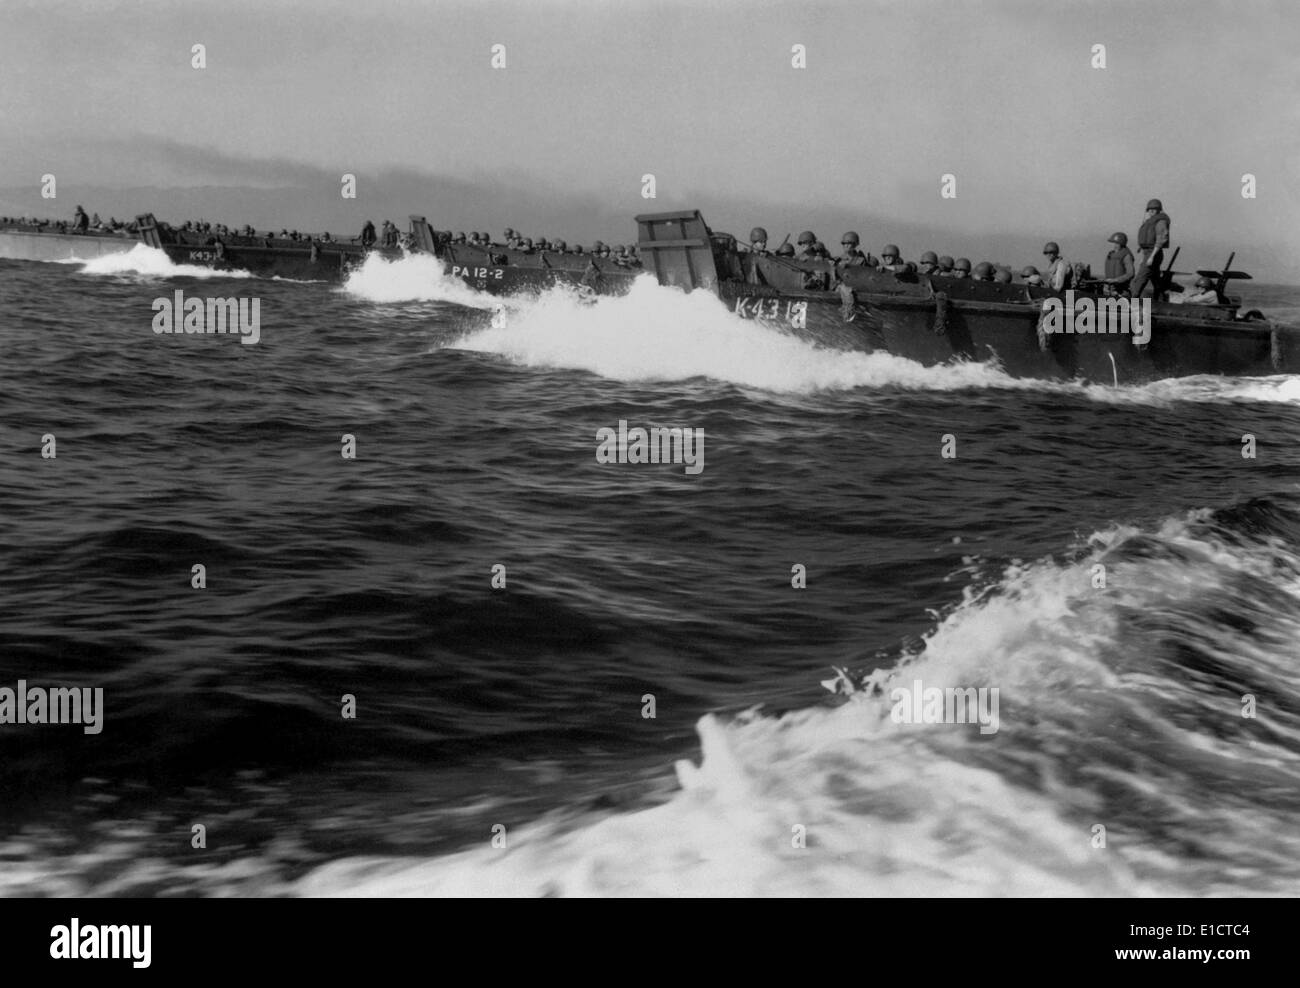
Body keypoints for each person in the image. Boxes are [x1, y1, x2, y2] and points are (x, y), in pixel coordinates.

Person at [1130, 198, 1171, 299]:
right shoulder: (1150, 222)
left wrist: (1151, 257)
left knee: (1140, 279)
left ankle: (1134, 300)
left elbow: (1161, 239)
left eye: (1154, 209)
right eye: (1150, 209)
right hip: (1148, 253)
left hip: (1154, 253)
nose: (1151, 211)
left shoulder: (1160, 222)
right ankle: (1160, 300)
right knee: (1155, 279)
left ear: (1159, 210)